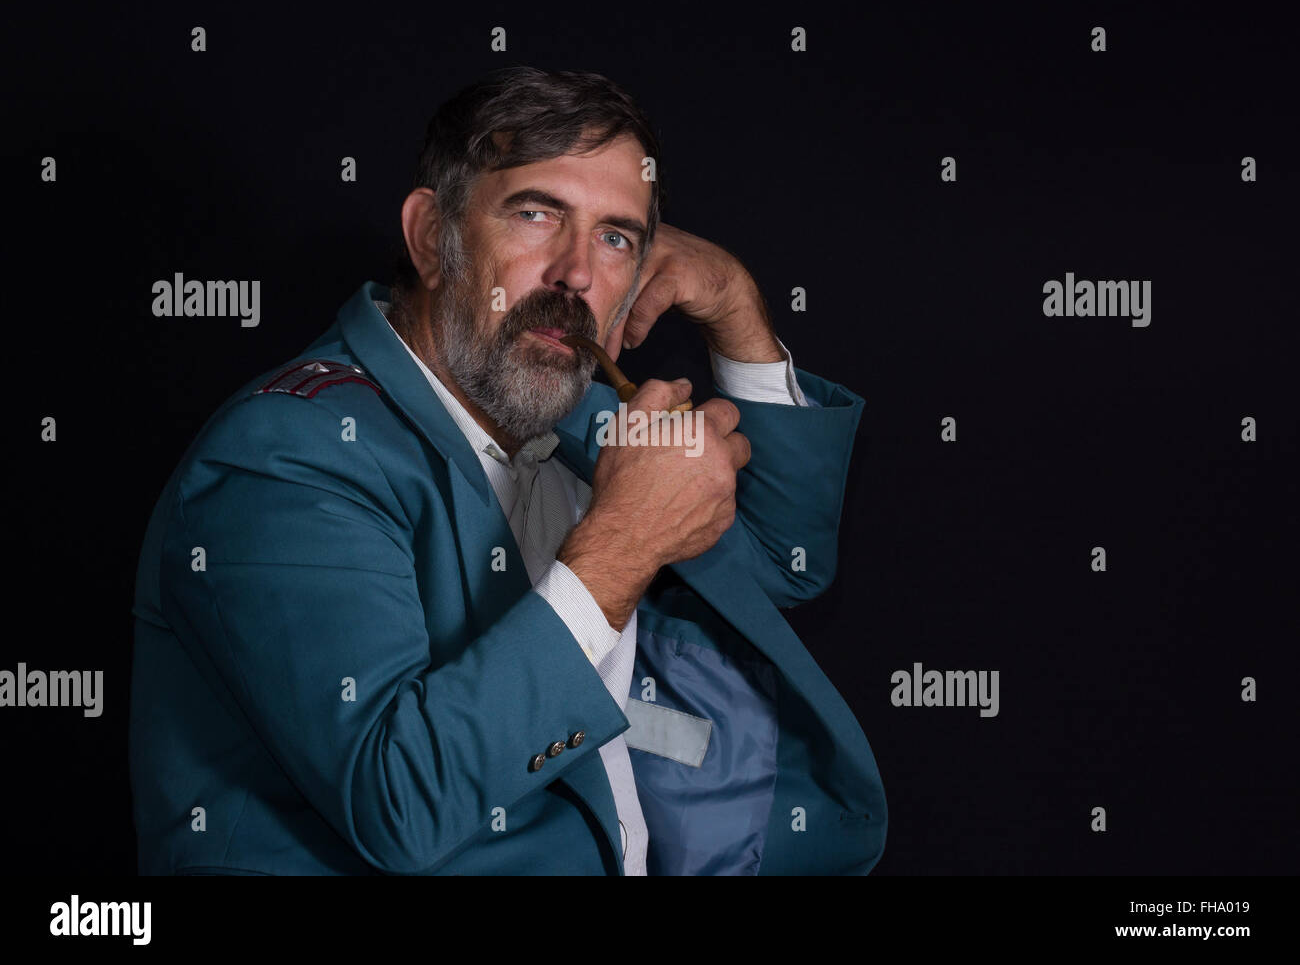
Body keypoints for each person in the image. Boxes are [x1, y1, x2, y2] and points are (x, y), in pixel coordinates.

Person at [129, 66, 887, 875]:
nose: (576, 273)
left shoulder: (573, 419)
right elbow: (401, 800)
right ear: (431, 237)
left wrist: (735, 306)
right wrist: (625, 542)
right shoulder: (283, 456)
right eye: (536, 214)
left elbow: (782, 561)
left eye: (616, 236)